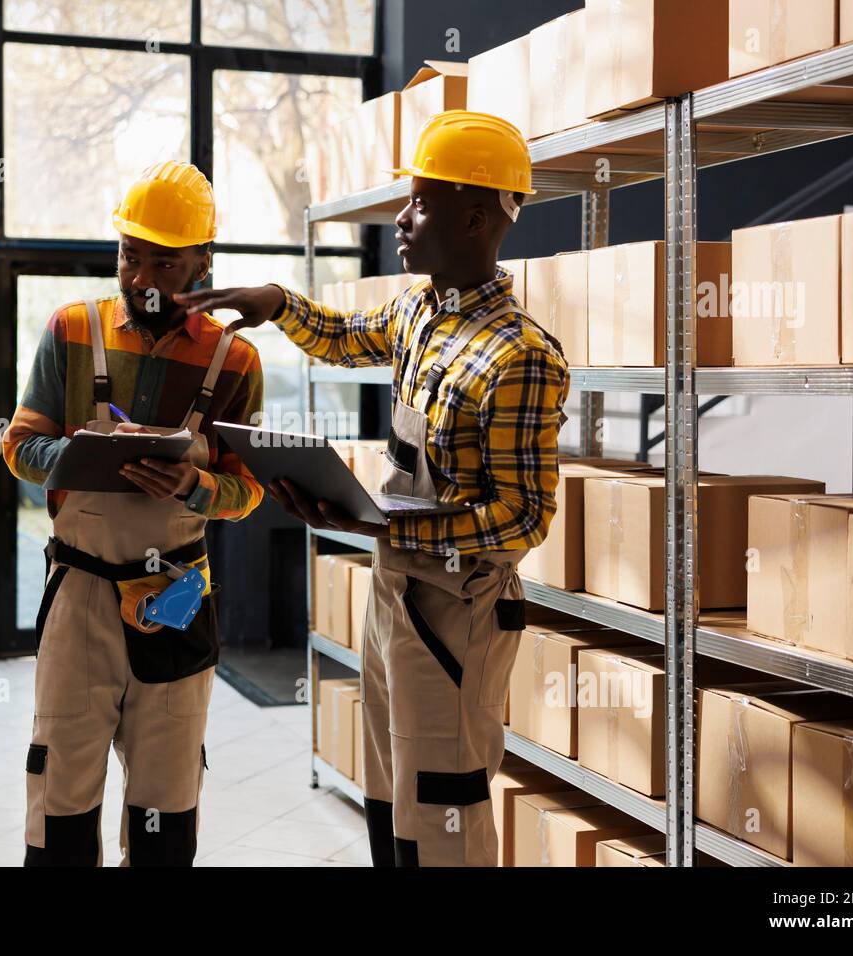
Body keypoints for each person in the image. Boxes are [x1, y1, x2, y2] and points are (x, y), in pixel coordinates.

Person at [176, 111, 570, 867]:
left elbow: (522, 518)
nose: (402, 216)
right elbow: (343, 337)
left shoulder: (519, 356)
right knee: (389, 801)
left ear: (476, 218)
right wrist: (280, 303)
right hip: (394, 593)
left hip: (459, 608)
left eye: (419, 201)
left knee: (443, 815)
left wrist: (383, 528)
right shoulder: (421, 315)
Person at [3, 161, 264, 866]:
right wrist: (86, 456)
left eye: (164, 262)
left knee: (165, 805)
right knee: (60, 795)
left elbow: (248, 490)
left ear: (204, 263)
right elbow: (20, 446)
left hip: (178, 595)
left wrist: (194, 486)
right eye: (130, 255)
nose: (141, 277)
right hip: (82, 592)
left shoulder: (235, 359)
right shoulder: (72, 329)